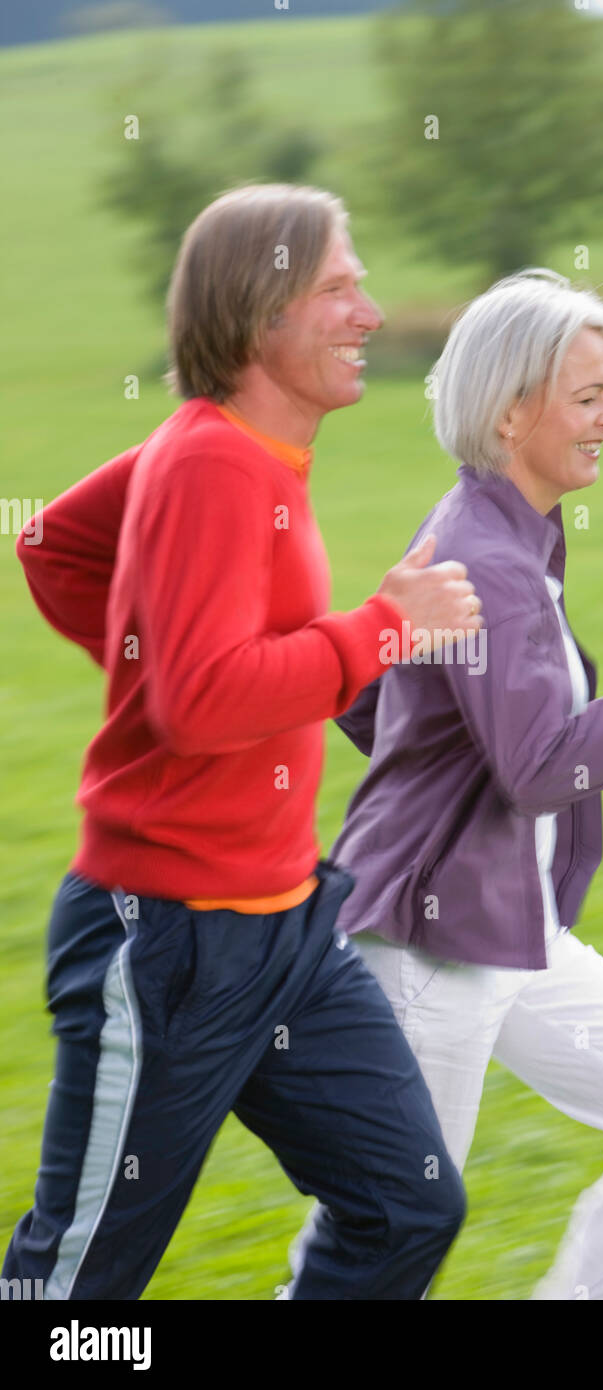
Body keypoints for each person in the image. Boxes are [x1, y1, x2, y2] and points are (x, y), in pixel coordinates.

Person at [3, 183, 482, 1301]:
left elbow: (51, 546)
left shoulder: (230, 451)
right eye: (337, 289)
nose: (370, 313)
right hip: (167, 942)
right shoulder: (214, 466)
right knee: (77, 1285)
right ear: (258, 315)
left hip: (285, 928)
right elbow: (201, 701)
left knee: (407, 1203)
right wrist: (383, 627)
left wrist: (150, 663)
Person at [295, 268, 603, 1300]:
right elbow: (544, 764)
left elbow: (372, 705)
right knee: (390, 1231)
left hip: (510, 928)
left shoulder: (496, 533)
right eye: (589, 396)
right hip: (429, 948)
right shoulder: (487, 560)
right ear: (511, 413)